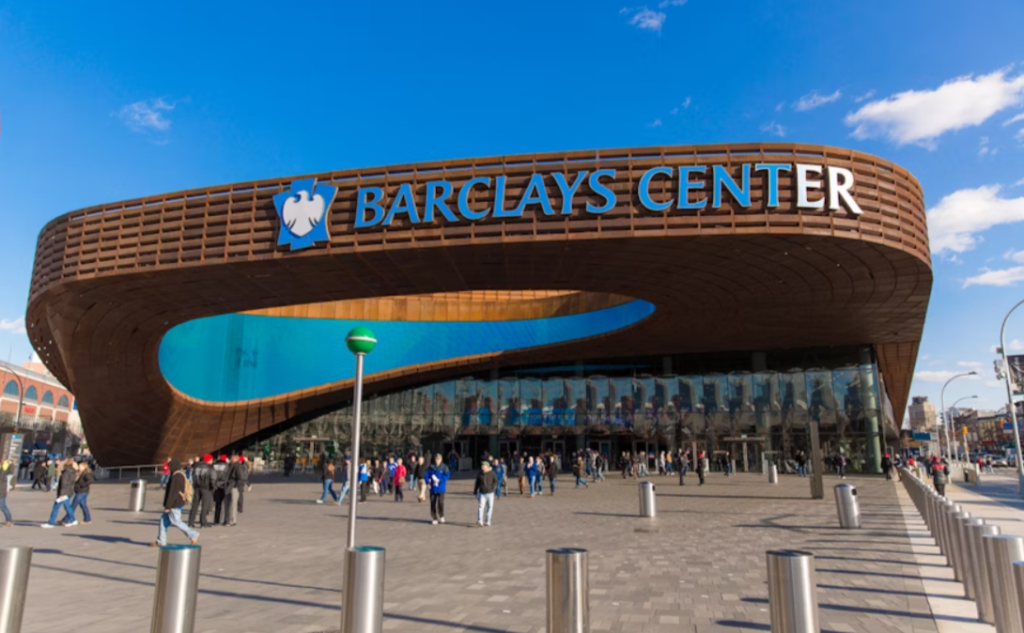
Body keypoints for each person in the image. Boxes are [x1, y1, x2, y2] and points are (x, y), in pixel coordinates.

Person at [152, 459, 199, 546]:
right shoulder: (177, 475)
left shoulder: (176, 477)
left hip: (175, 504)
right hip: (175, 503)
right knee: (163, 521)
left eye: (169, 466)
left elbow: (173, 493)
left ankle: (193, 534)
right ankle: (161, 541)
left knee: (176, 521)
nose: (168, 468)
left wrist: (168, 506)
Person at [41, 458, 77, 528]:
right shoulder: (72, 471)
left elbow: (64, 483)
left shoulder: (66, 472)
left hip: (64, 492)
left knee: (56, 507)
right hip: (69, 491)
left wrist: (62, 494)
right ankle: (73, 520)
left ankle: (51, 523)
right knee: (67, 507)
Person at [189, 454, 215, 528]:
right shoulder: (209, 467)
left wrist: (194, 485)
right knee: (204, 505)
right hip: (206, 488)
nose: (212, 461)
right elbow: (213, 478)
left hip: (197, 487)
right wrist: (213, 487)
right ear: (209, 460)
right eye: (211, 460)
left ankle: (191, 522)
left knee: (194, 505)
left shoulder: (196, 466)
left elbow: (193, 476)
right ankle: (203, 522)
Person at [425, 454, 451, 525]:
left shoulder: (444, 467)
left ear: (441, 459)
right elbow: (426, 475)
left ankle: (441, 515)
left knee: (440, 502)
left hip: (441, 488)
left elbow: (447, 476)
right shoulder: (431, 467)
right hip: (433, 488)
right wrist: (427, 482)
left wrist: (440, 480)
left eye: (438, 459)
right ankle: (434, 518)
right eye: (436, 459)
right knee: (432, 503)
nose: (437, 460)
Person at [474, 461, 497, 527]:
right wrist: (475, 491)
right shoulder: (480, 473)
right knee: (481, 507)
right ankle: (480, 520)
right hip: (482, 493)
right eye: (482, 465)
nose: (482, 467)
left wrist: (492, 487)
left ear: (487, 466)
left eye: (483, 465)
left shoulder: (492, 473)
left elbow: (495, 481)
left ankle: (487, 521)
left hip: (490, 493)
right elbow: (477, 482)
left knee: (490, 507)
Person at [226, 455, 246, 526]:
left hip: (234, 486)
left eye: (232, 458)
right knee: (228, 504)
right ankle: (228, 519)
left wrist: (236, 485)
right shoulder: (231, 465)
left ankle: (232, 520)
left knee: (233, 504)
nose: (231, 459)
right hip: (229, 486)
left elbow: (240, 477)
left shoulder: (238, 466)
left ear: (236, 459)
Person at [212, 455, 230, 525]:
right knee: (225, 503)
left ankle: (216, 519)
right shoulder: (227, 465)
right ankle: (225, 519)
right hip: (223, 485)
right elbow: (228, 475)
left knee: (217, 503)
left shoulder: (214, 465)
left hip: (216, 485)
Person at [0, 459, 13, 526]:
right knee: (3, 507)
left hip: (1, 492)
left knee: (2, 507)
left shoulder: (2, 472)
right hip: (2, 492)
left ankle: (9, 520)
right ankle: (9, 520)